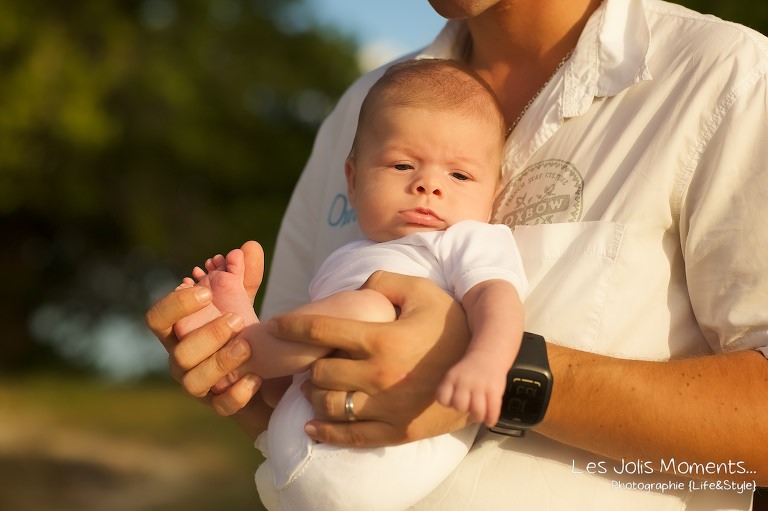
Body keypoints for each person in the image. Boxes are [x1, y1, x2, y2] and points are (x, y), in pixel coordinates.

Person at [147, 1, 768, 509]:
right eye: (398, 167)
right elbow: (286, 384)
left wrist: (510, 376)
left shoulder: (726, 78)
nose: (424, 186)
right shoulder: (360, 109)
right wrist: (228, 353)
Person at [172, 59, 528, 511]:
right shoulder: (343, 258)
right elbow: (305, 378)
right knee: (317, 355)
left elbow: (498, 298)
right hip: (290, 460)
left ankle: (243, 343)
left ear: (493, 193)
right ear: (354, 180)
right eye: (402, 165)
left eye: (459, 175)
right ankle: (240, 335)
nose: (428, 186)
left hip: (387, 458)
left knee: (370, 312)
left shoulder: (468, 239)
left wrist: (488, 359)